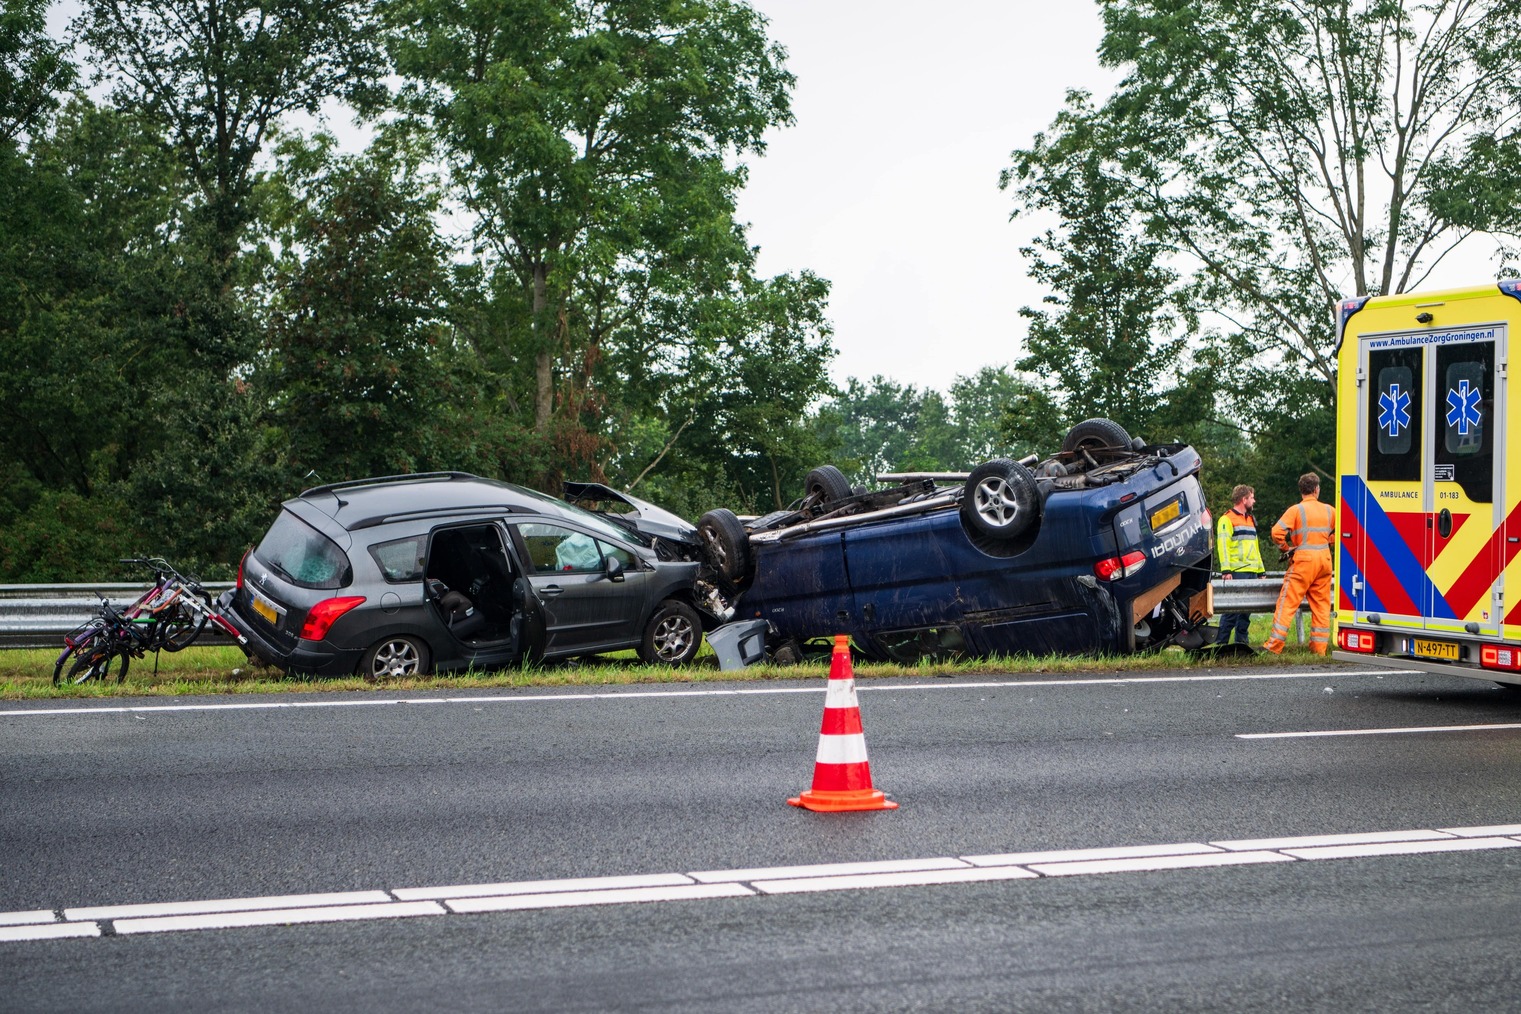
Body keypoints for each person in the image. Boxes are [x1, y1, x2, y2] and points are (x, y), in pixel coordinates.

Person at [1263, 473, 1335, 655]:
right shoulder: (1329, 510)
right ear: (1317, 489)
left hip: (1303, 561)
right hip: (1325, 560)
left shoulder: (1296, 510)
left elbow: (1276, 532)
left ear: (1301, 490)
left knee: (1287, 603)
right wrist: (1328, 541)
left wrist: (1286, 548)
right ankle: (1319, 650)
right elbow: (1345, 529)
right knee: (1321, 607)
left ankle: (1274, 647)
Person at [1214, 484, 1265, 645]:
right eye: (1252, 498)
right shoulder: (1227, 519)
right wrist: (1226, 570)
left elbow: (1255, 548)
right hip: (1236, 571)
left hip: (1251, 571)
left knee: (1246, 612)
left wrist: (1261, 571)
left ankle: (1241, 644)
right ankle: (1221, 644)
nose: (1254, 501)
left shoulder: (1250, 519)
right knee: (1232, 611)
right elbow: (1223, 546)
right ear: (1244, 499)